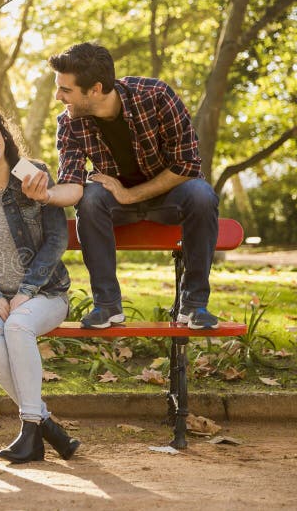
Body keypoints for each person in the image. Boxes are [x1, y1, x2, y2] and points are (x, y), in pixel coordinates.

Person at [23, 42, 219, 330]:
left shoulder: (155, 96)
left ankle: (194, 306)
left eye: (66, 90)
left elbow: (187, 165)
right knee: (90, 199)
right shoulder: (70, 122)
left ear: (96, 89)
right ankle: (107, 306)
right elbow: (73, 186)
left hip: (170, 198)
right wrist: (46, 195)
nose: (58, 97)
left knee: (202, 194)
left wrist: (130, 194)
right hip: (115, 205)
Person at [0, 106, 80, 463]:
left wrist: (26, 291)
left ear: (3, 132)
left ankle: (29, 429)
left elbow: (57, 239)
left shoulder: (32, 173)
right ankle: (45, 427)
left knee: (18, 326)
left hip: (45, 292)